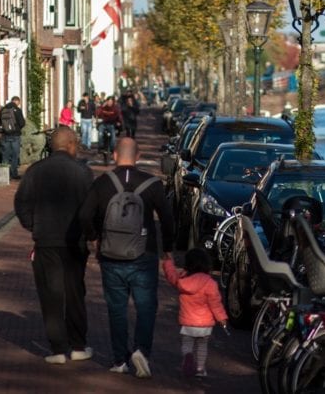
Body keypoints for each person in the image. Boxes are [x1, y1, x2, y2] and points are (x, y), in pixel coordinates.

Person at [79, 137, 174, 378]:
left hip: (111, 254)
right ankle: (142, 351)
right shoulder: (153, 184)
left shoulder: (102, 183)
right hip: (145, 254)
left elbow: (84, 215)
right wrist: (168, 249)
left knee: (117, 308)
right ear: (139, 155)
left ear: (114, 155)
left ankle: (120, 360)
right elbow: (168, 219)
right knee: (146, 307)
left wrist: (94, 238)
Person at [13, 127, 94, 364]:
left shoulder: (36, 171)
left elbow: (21, 203)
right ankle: (78, 345)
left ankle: (58, 349)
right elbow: (92, 207)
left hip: (46, 241)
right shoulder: (83, 172)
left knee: (51, 294)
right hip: (74, 242)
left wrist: (34, 226)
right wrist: (90, 233)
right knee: (75, 292)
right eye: (76, 143)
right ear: (70, 145)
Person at [161, 248, 228, 378]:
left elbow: (171, 276)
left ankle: (187, 356)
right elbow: (216, 304)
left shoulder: (182, 279)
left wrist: (168, 261)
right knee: (202, 346)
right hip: (204, 324)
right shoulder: (210, 283)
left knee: (187, 344)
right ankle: (200, 368)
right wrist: (222, 318)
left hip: (187, 322)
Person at [0, 96, 26, 180]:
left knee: (5, 155)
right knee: (14, 155)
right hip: (15, 135)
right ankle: (14, 174)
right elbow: (22, 123)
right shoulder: (17, 110)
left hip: (5, 135)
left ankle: (4, 175)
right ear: (17, 101)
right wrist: (17, 128)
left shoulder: (3, 110)